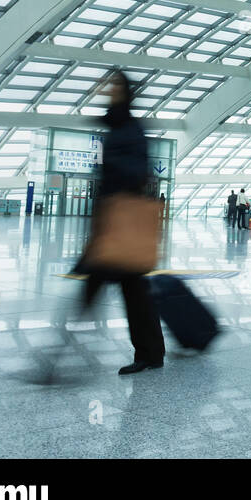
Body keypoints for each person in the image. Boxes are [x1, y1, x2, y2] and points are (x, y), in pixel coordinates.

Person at [77, 70, 165, 375]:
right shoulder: (117, 125)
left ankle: (58, 362)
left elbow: (136, 173)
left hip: (120, 223)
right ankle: (151, 353)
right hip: (114, 222)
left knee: (118, 292)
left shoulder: (129, 128)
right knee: (133, 293)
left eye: (113, 85)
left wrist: (111, 171)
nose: (106, 89)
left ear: (124, 91)